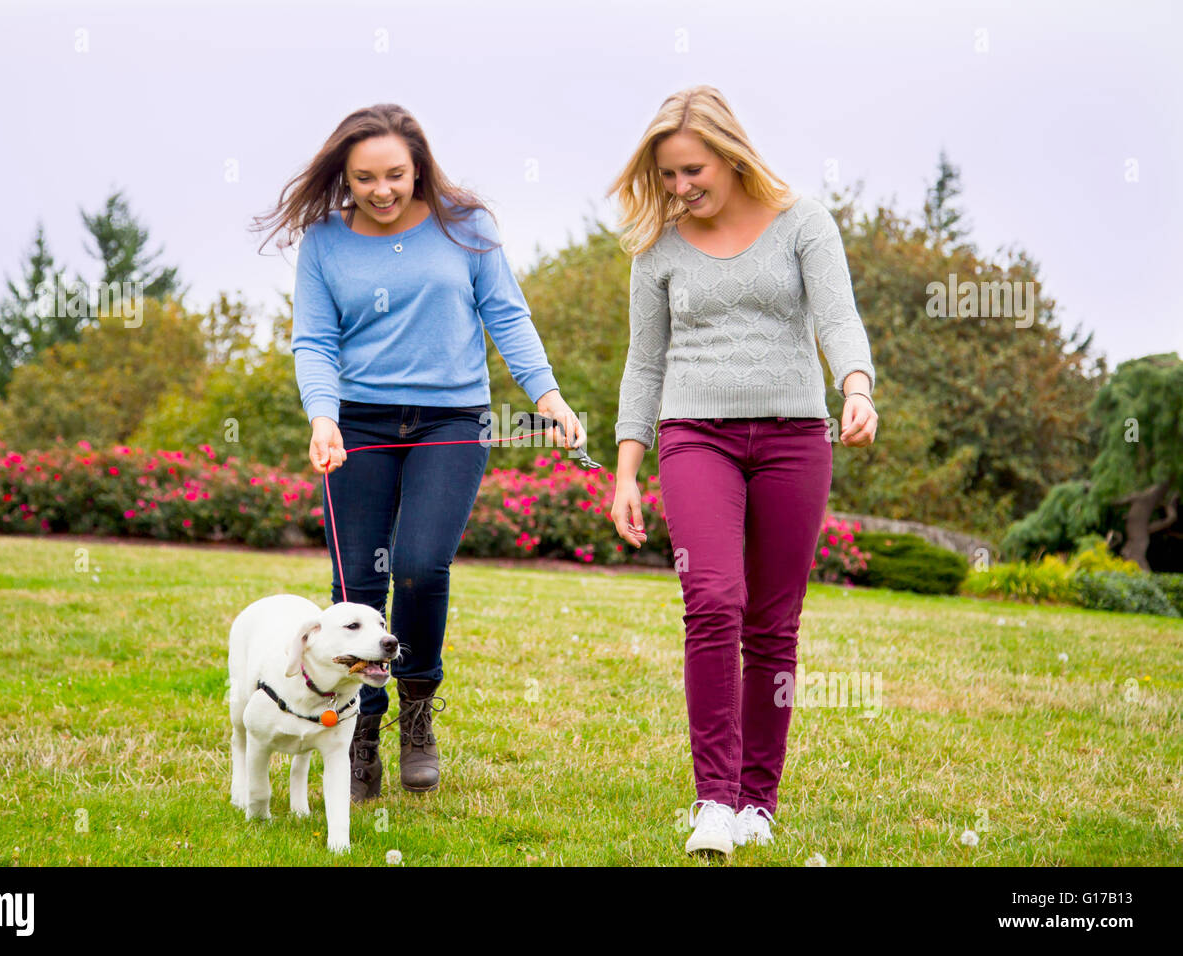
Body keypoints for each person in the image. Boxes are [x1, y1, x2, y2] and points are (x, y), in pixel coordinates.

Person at [253, 103, 586, 801]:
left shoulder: (465, 227)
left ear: (419, 166)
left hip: (451, 418)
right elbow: (315, 341)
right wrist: (324, 417)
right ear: (344, 176)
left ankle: (417, 712)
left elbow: (506, 314)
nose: (382, 191)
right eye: (365, 178)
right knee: (358, 587)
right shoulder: (325, 242)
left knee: (421, 566)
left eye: (396, 175)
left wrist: (547, 397)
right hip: (360, 423)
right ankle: (360, 725)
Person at [607, 86, 878, 856]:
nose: (679, 187)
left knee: (772, 624)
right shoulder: (656, 246)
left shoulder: (802, 221)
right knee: (714, 599)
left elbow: (837, 318)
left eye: (691, 170)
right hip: (696, 436)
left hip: (796, 435)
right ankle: (713, 801)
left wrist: (856, 387)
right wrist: (627, 470)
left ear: (729, 155)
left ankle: (758, 800)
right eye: (666, 175)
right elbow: (643, 364)